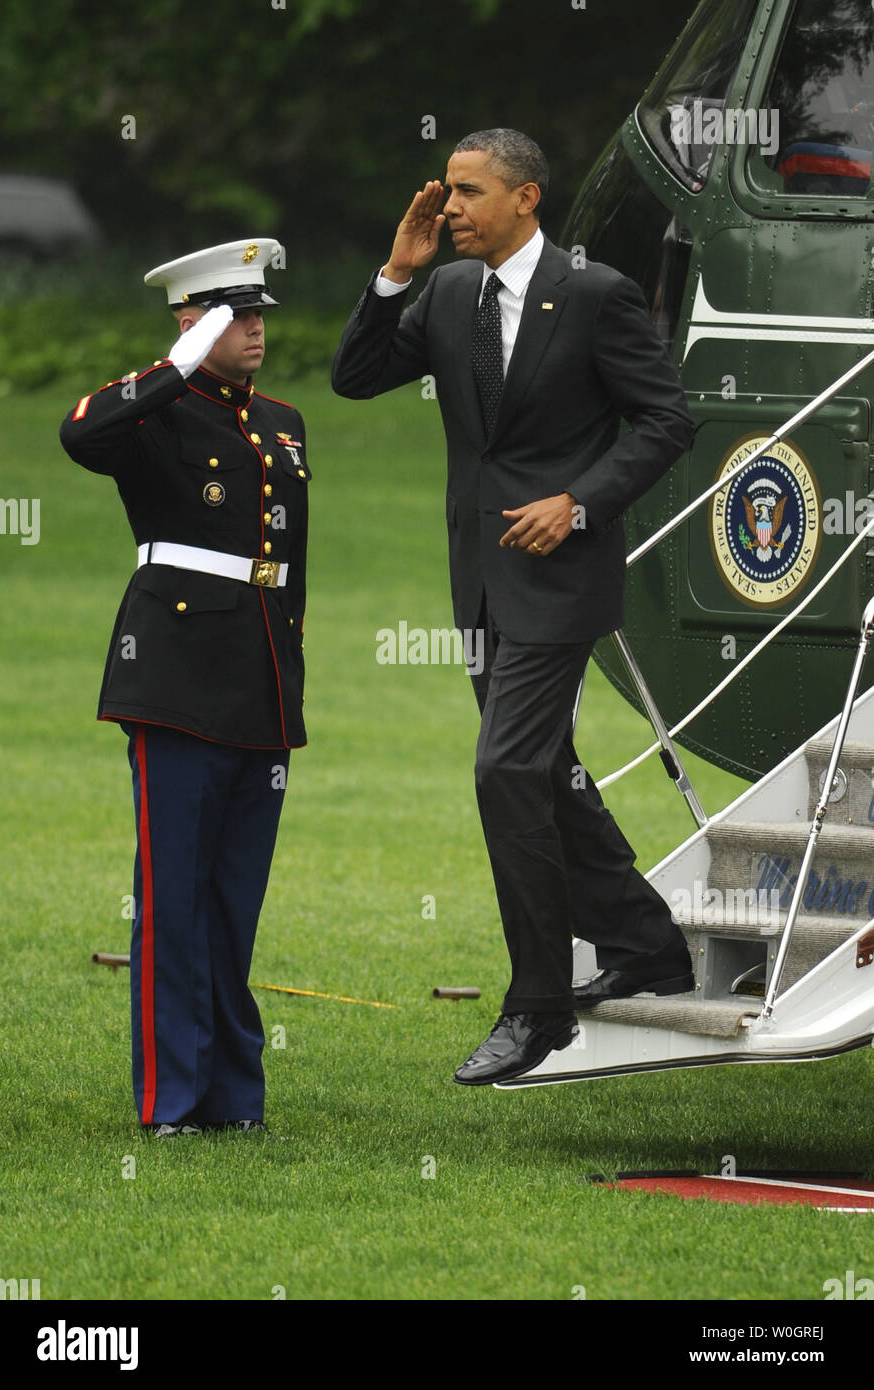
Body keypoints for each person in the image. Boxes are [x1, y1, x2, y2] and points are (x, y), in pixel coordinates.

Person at [332, 129, 696, 1086]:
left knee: (505, 771)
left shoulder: (594, 294)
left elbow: (668, 418)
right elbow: (354, 378)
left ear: (526, 199)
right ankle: (648, 944)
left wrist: (579, 501)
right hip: (481, 579)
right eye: (445, 192)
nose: (447, 208)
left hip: (562, 577)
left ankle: (537, 1006)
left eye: (466, 193)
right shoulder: (447, 292)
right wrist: (394, 274)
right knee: (543, 772)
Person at [60, 239, 309, 1133]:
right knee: (173, 901)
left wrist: (292, 673)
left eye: (256, 316)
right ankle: (172, 1097)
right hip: (174, 681)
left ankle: (235, 1097)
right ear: (190, 319)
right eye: (233, 316)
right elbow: (78, 433)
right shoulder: (154, 413)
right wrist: (175, 365)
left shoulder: (283, 421)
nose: (253, 331)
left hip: (261, 687)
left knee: (234, 901)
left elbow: (288, 564)